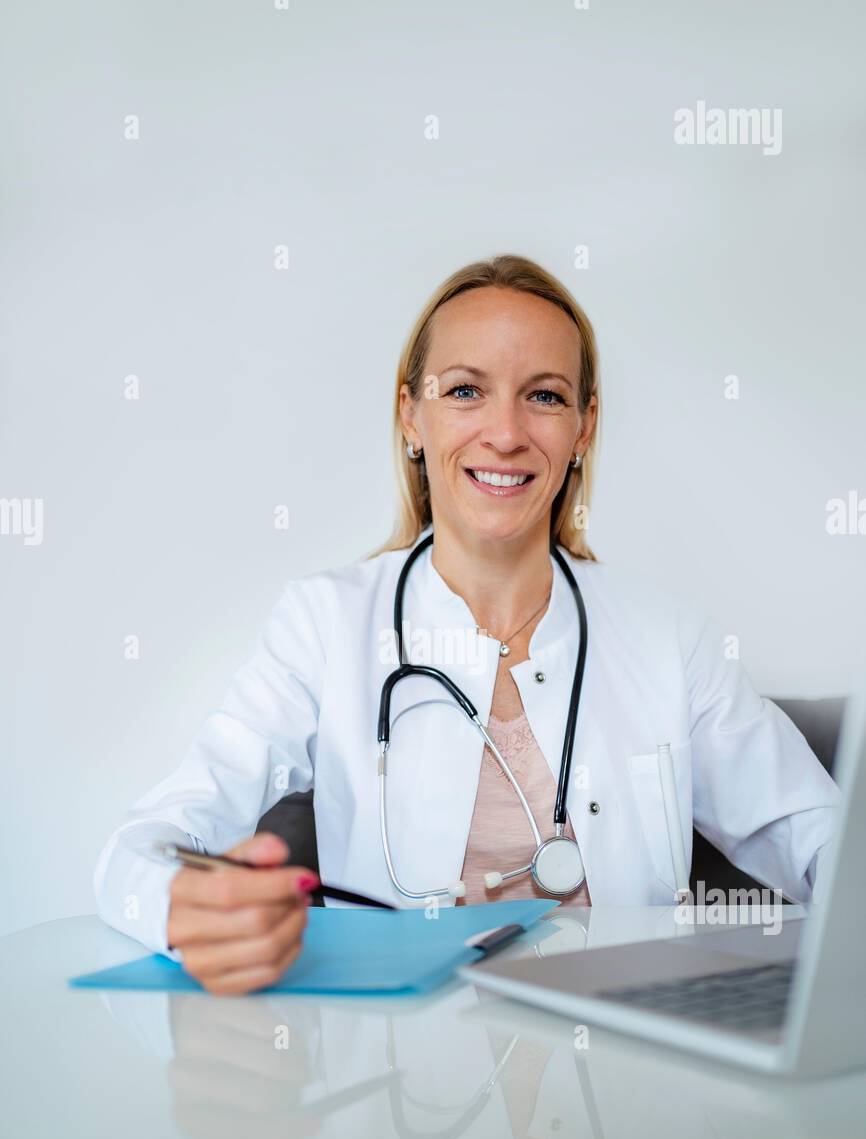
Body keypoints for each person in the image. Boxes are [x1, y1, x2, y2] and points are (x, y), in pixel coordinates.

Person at [93, 253, 840, 995]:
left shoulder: (671, 640)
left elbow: (823, 838)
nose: (506, 433)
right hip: (404, 1084)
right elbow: (146, 844)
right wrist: (179, 912)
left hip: (628, 1076)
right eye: (465, 391)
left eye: (544, 397)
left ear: (585, 426)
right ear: (410, 415)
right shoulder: (325, 624)